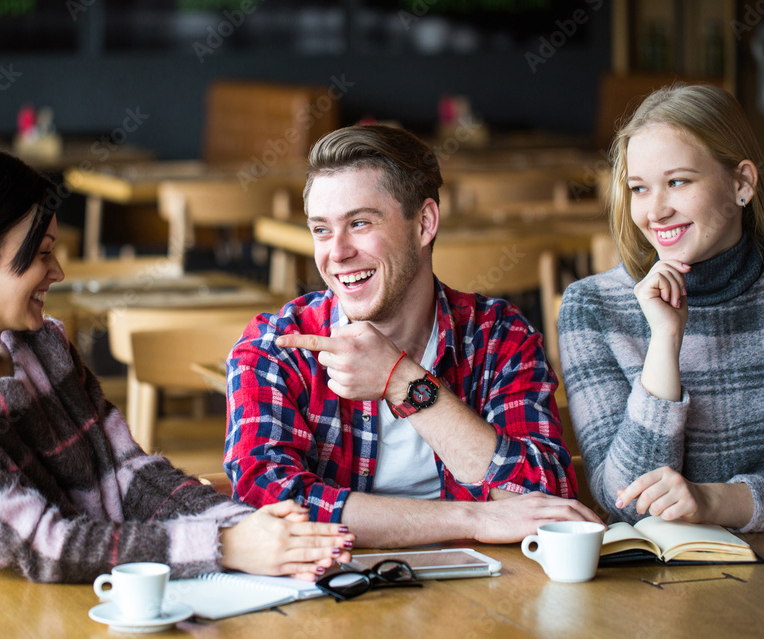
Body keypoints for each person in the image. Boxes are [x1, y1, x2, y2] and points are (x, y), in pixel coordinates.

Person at [0, 144, 354, 639]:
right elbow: (46, 546)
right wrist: (228, 544)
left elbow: (129, 474)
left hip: (108, 622)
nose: (58, 272)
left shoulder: (41, 346)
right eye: (41, 253)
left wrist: (262, 530)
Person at [225, 124, 601, 548]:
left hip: (489, 599)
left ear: (424, 224)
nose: (337, 252)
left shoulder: (500, 337)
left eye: (360, 223)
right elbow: (269, 503)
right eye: (322, 230)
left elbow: (545, 501)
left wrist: (403, 380)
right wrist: (471, 519)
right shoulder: (276, 348)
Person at [559, 84, 764, 537]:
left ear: (742, 183)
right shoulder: (593, 307)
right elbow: (628, 502)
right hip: (657, 589)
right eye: (640, 188)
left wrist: (713, 500)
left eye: (677, 181)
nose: (655, 211)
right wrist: (664, 343)